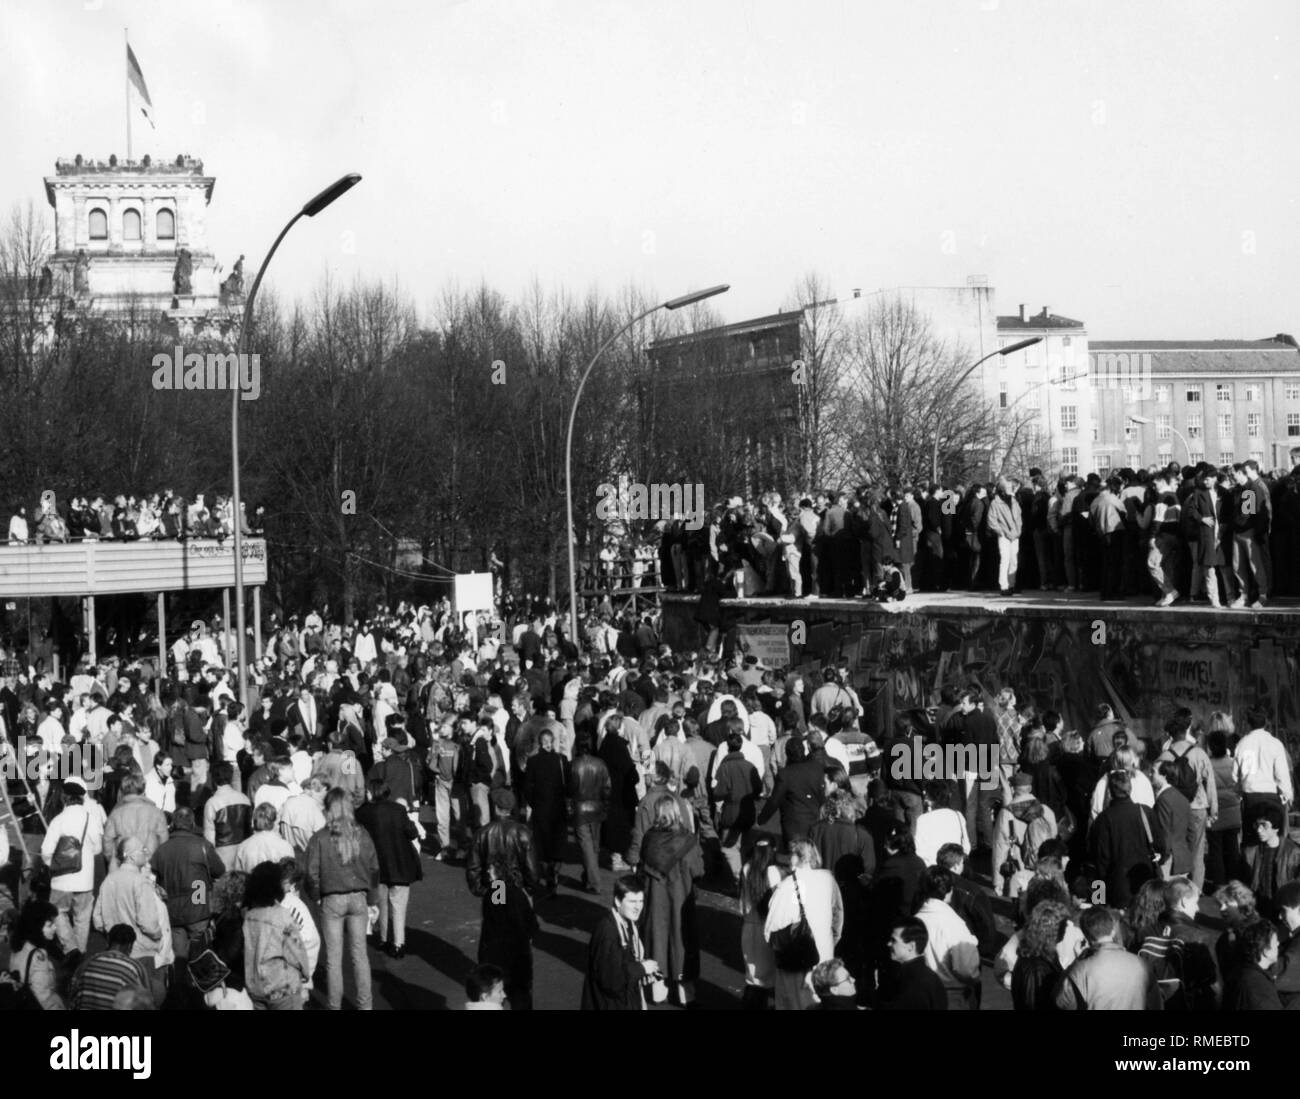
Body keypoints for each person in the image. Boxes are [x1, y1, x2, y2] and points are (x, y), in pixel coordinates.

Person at [304, 787, 381, 1011]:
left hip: (332, 899)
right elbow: (374, 869)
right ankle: (365, 1006)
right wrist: (373, 900)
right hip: (358, 898)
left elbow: (311, 873)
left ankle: (334, 1006)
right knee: (360, 955)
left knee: (333, 960)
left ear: (328, 809)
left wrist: (316, 897)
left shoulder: (319, 838)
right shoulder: (362, 834)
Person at [639, 795, 704, 1007]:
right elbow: (698, 870)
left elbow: (641, 867)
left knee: (656, 938)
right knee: (681, 941)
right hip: (680, 895)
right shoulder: (687, 839)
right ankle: (685, 992)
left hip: (655, 897)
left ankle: (658, 990)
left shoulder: (649, 839)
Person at [764, 839, 844, 1010]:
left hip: (797, 962)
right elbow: (838, 915)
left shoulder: (786, 887)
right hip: (824, 957)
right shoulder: (828, 879)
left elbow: (771, 929)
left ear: (796, 857)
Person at [91, 837, 169, 1004]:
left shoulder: (108, 880)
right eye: (142, 850)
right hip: (142, 953)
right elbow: (148, 922)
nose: (146, 852)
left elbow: (97, 920)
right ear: (131, 856)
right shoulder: (141, 882)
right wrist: (158, 935)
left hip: (115, 954)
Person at [356, 777, 423, 959]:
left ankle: (384, 938)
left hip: (376, 865)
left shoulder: (362, 813)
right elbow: (411, 832)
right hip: (400, 863)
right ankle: (398, 943)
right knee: (398, 906)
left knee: (381, 903)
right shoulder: (398, 810)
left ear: (372, 792)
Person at [150, 807, 225, 964]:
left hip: (173, 909)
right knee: (200, 956)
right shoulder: (203, 846)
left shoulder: (162, 850)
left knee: (180, 957)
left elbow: (154, 877)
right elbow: (219, 870)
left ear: (173, 825)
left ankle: (181, 985)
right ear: (192, 824)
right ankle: (200, 985)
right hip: (198, 905)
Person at [40, 776, 104, 957]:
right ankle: (80, 953)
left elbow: (46, 851)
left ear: (64, 797)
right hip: (85, 879)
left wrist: (53, 864)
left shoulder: (58, 821)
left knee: (57, 913)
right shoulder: (91, 819)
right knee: (82, 919)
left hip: (61, 880)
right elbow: (98, 848)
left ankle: (70, 948)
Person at [1055, 905, 1162, 1010]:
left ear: (1086, 936)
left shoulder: (1080, 971)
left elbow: (1061, 1002)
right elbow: (1156, 1004)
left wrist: (1077, 960)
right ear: (1113, 931)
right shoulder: (1142, 965)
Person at [581, 875, 661, 1010]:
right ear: (618, 901)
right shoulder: (608, 932)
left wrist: (645, 971)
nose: (638, 907)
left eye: (640, 901)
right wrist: (642, 968)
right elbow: (611, 981)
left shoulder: (628, 924)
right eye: (632, 901)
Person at [242, 861, 312, 1010]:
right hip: (282, 987)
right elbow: (296, 951)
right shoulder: (282, 916)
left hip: (256, 987)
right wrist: (306, 973)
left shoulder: (248, 916)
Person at [1091, 770, 1166, 908]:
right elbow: (1162, 847)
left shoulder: (1103, 819)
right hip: (1147, 885)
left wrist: (1099, 900)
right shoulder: (1146, 812)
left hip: (1117, 890)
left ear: (1110, 792)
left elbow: (1100, 861)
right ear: (1130, 789)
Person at [914, 866, 981, 1009]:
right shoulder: (954, 923)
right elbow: (967, 969)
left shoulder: (915, 920)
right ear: (949, 891)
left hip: (920, 996)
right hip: (950, 997)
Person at [712, 729, 763, 886]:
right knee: (745, 846)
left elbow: (719, 792)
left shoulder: (725, 767)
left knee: (729, 847)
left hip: (731, 812)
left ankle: (738, 877)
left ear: (728, 748)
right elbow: (758, 789)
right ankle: (749, 875)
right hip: (748, 811)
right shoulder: (750, 767)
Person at [756, 735, 825, 849]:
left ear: (787, 754)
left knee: (796, 859)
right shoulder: (816, 768)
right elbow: (822, 794)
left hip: (794, 826)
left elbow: (774, 801)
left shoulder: (785, 774)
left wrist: (761, 819)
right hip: (815, 821)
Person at [522, 727, 569, 891]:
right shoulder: (562, 760)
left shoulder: (533, 761)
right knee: (558, 842)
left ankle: (546, 869)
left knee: (542, 843)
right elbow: (568, 785)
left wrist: (533, 802)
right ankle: (554, 870)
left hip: (541, 807)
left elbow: (527, 787)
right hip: (559, 808)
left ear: (540, 743)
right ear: (552, 742)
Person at [739, 838, 781, 1009]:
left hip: (748, 927)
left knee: (752, 978)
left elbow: (742, 901)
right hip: (767, 928)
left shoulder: (747, 868)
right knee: (766, 979)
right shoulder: (775, 872)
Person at [69, 924, 151, 1010]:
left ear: (108, 941)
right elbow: (147, 1003)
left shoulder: (87, 963)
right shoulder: (134, 967)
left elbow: (72, 993)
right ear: (130, 946)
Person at [1010, 899, 1071, 1011]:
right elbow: (1031, 1003)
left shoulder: (1045, 954)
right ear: (1051, 930)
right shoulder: (1035, 968)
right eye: (1064, 925)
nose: (1067, 928)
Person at [1242, 802, 1300, 917]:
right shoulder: (1250, 851)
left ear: (1276, 827)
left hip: (1283, 908)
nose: (1259, 830)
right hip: (1258, 908)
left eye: (1264, 825)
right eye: (1257, 825)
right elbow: (1244, 882)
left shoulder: (1293, 852)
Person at [570, 733, 611, 893]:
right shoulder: (600, 764)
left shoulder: (573, 765)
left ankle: (593, 881)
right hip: (597, 807)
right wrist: (606, 805)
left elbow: (569, 789)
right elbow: (607, 788)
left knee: (587, 846)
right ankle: (590, 877)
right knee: (593, 845)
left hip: (580, 809)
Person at [103, 770, 169, 868]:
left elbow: (107, 841)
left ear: (123, 790)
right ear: (143, 789)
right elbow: (164, 841)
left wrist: (114, 861)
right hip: (149, 863)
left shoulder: (116, 813)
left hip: (124, 863)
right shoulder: (156, 812)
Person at [876, 918, 947, 1010]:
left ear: (911, 947)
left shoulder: (915, 984)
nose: (888, 944)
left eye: (894, 940)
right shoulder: (929, 977)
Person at [8, 899, 65, 1010]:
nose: (55, 928)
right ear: (37, 928)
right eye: (50, 925)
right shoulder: (39, 956)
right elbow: (43, 996)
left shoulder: (18, 947)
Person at [1223, 917, 1283, 1010]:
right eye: (1275, 942)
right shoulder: (1259, 989)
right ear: (1265, 950)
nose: (1278, 944)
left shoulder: (1242, 971)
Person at [203, 761, 253, 871]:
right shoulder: (245, 799)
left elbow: (209, 837)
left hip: (222, 853)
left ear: (214, 779)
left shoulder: (212, 803)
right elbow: (250, 828)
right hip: (244, 850)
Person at [915, 780, 971, 869]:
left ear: (929, 799)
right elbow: (966, 847)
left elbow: (919, 851)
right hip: (955, 868)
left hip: (932, 870)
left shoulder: (922, 819)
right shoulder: (958, 815)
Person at [233, 802, 295, 872]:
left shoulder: (243, 846)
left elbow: (239, 877)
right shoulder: (285, 846)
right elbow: (291, 875)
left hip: (252, 882)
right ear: (275, 821)